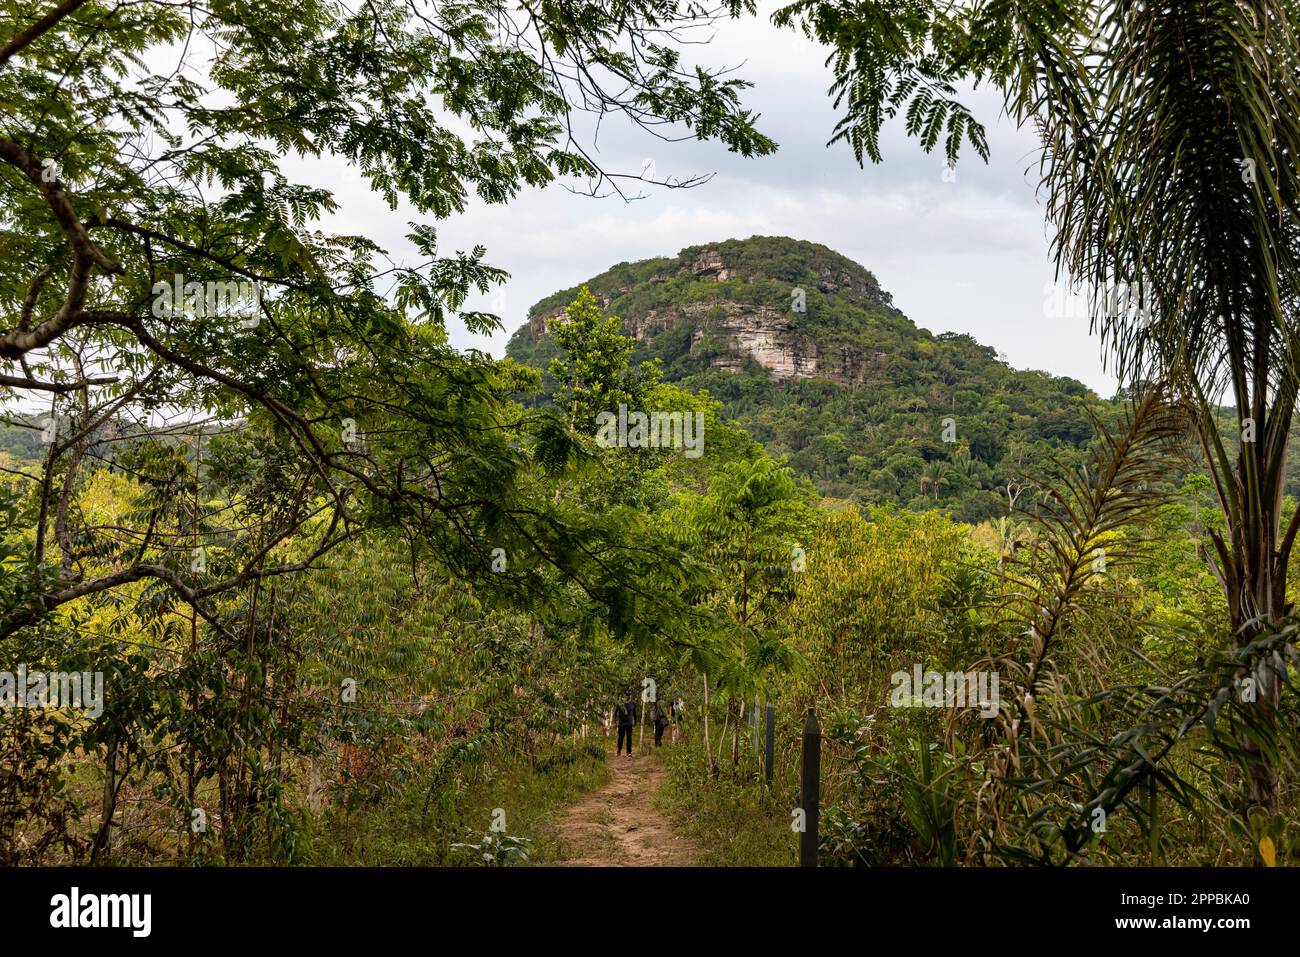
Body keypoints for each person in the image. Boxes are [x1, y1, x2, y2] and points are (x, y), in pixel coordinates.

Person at [614, 689, 637, 756]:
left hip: (629, 723)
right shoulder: (620, 703)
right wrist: (614, 721)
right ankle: (619, 750)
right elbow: (615, 712)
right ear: (624, 695)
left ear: (631, 695)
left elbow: (634, 713)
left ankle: (629, 752)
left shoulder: (633, 703)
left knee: (629, 738)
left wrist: (635, 721)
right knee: (620, 737)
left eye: (629, 695)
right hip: (621, 723)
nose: (628, 696)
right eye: (627, 695)